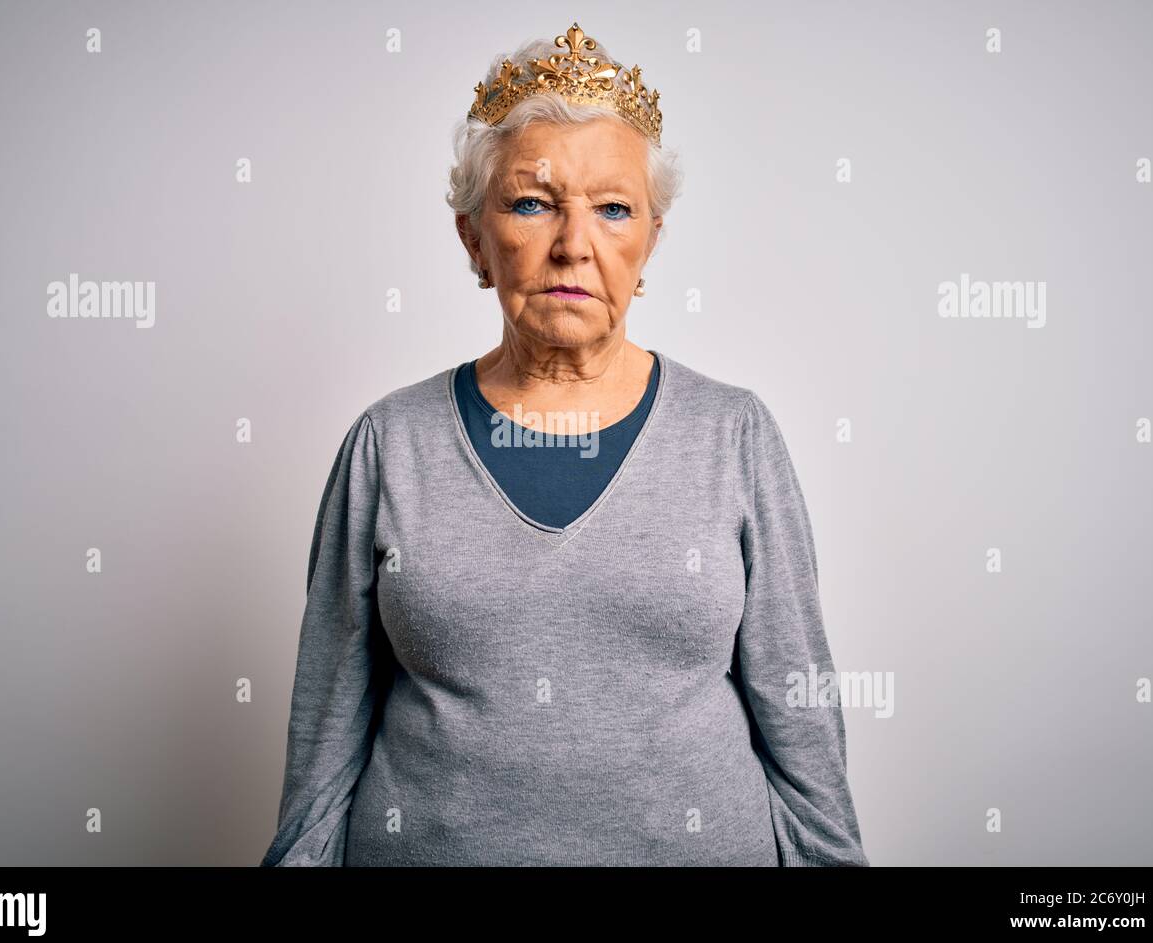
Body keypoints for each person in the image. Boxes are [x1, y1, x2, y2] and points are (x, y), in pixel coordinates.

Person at [260, 22, 869, 866]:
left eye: (613, 209)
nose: (574, 244)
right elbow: (322, 752)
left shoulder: (734, 436)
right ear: (475, 238)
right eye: (533, 203)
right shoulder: (387, 446)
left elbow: (804, 733)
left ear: (650, 239)